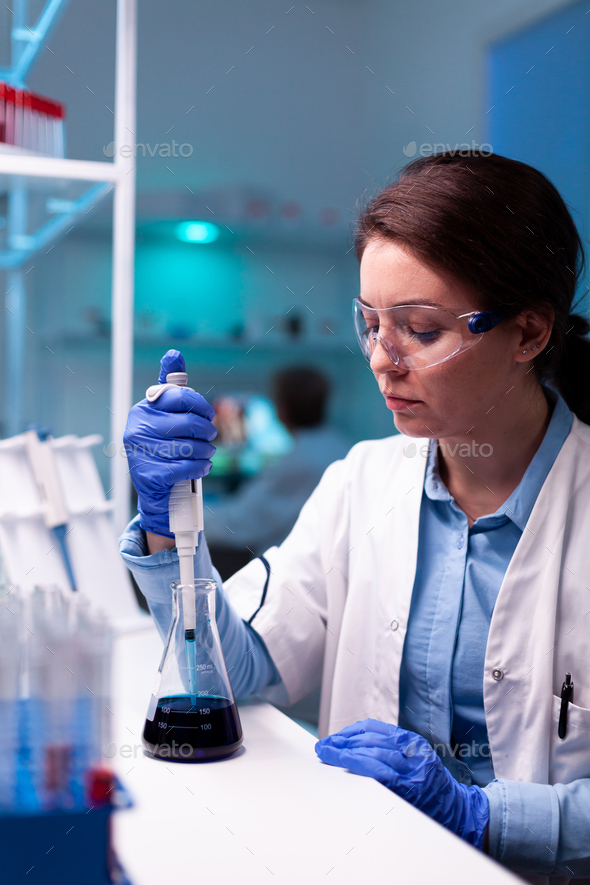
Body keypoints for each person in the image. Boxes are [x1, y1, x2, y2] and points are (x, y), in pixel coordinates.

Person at [120, 152, 590, 883]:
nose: (380, 357)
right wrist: (165, 521)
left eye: (421, 330)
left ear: (528, 334)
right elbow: (229, 673)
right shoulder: (363, 483)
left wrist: (481, 815)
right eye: (370, 322)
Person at [204, 367, 351, 556]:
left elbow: (240, 524)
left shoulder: (299, 462)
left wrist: (180, 517)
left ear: (282, 408)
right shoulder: (342, 448)